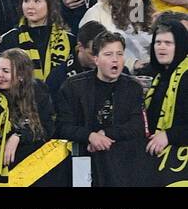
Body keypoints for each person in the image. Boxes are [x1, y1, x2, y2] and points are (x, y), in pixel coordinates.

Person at [55, 31, 147, 182]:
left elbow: (137, 126)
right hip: (83, 160)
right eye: (108, 54)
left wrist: (105, 134)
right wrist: (90, 136)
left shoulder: (133, 88)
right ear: (96, 59)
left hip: (122, 164)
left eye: (119, 54)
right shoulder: (73, 87)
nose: (115, 60)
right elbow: (62, 127)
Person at [0, 48, 56, 173]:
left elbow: (47, 129)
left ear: (21, 76)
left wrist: (18, 136)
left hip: (31, 163)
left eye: (5, 71)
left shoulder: (38, 90)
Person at [0, 0, 77, 94]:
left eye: (37, 1)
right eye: (26, 1)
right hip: (20, 101)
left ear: (49, 4)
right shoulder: (9, 39)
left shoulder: (69, 40)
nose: (30, 6)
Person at [80, 0, 154, 71]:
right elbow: (92, 55)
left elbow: (143, 44)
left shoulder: (139, 10)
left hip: (146, 73)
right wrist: (132, 64)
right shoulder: (96, 14)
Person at [144, 20, 188, 157]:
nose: (161, 47)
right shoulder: (156, 75)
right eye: (158, 42)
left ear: (180, 46)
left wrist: (169, 135)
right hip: (155, 155)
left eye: (168, 43)